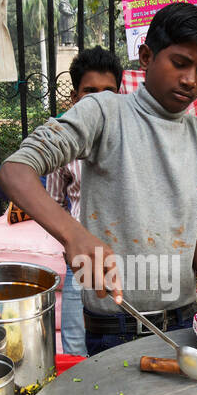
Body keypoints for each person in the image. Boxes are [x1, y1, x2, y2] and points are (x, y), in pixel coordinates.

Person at [0, 2, 197, 355]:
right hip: (112, 329)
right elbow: (13, 172)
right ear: (147, 57)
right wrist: (73, 234)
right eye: (180, 63)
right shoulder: (104, 111)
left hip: (183, 324)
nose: (189, 81)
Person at [45, 47, 125, 356]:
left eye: (109, 92)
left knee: (125, 344)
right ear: (76, 98)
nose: (100, 100)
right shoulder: (62, 139)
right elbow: (52, 203)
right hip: (82, 261)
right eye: (90, 92)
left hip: (130, 255)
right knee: (77, 347)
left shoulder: (134, 138)